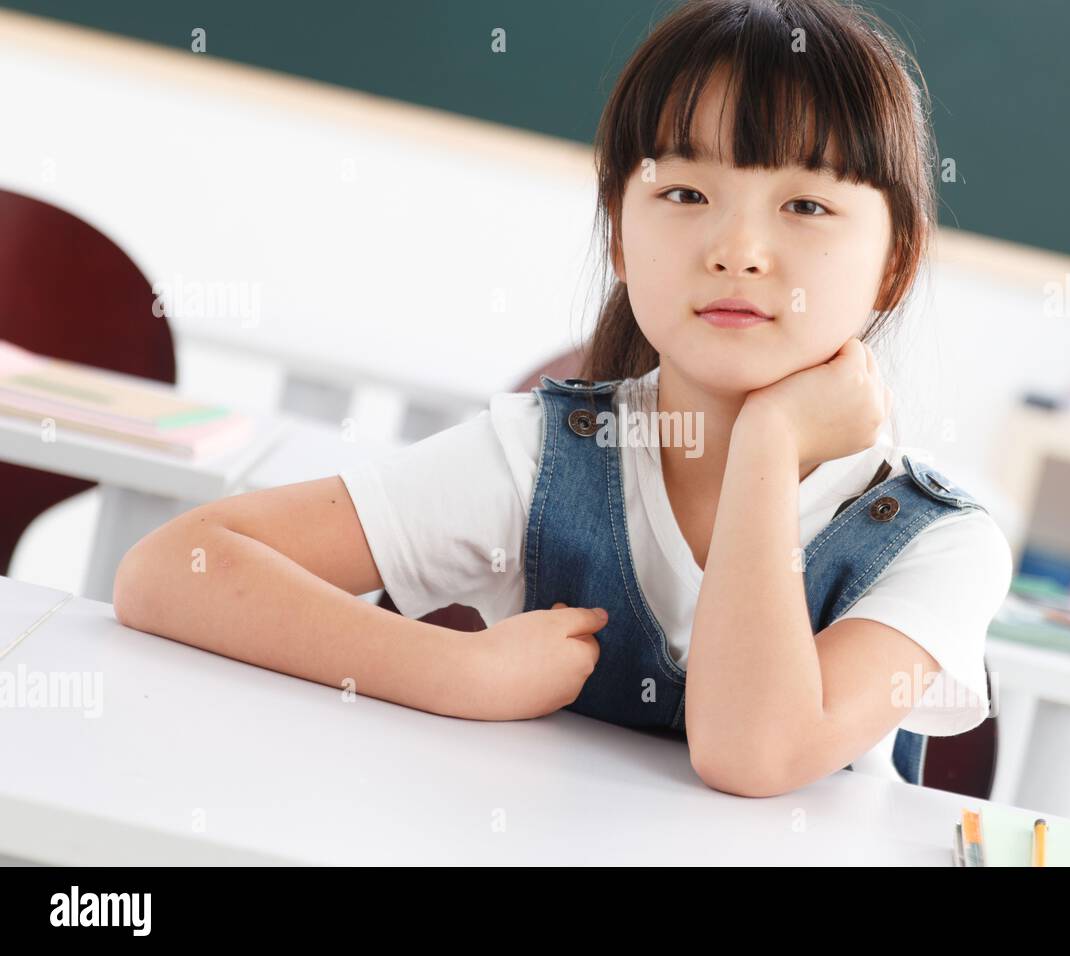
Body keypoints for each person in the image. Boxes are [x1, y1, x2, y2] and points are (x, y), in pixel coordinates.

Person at [114, 0, 1012, 798]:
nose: (738, 248)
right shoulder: (548, 458)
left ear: (895, 262)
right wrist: (455, 670)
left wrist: (769, 447)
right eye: (686, 192)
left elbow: (753, 754)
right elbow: (171, 569)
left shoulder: (940, 545)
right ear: (620, 233)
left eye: (806, 206)